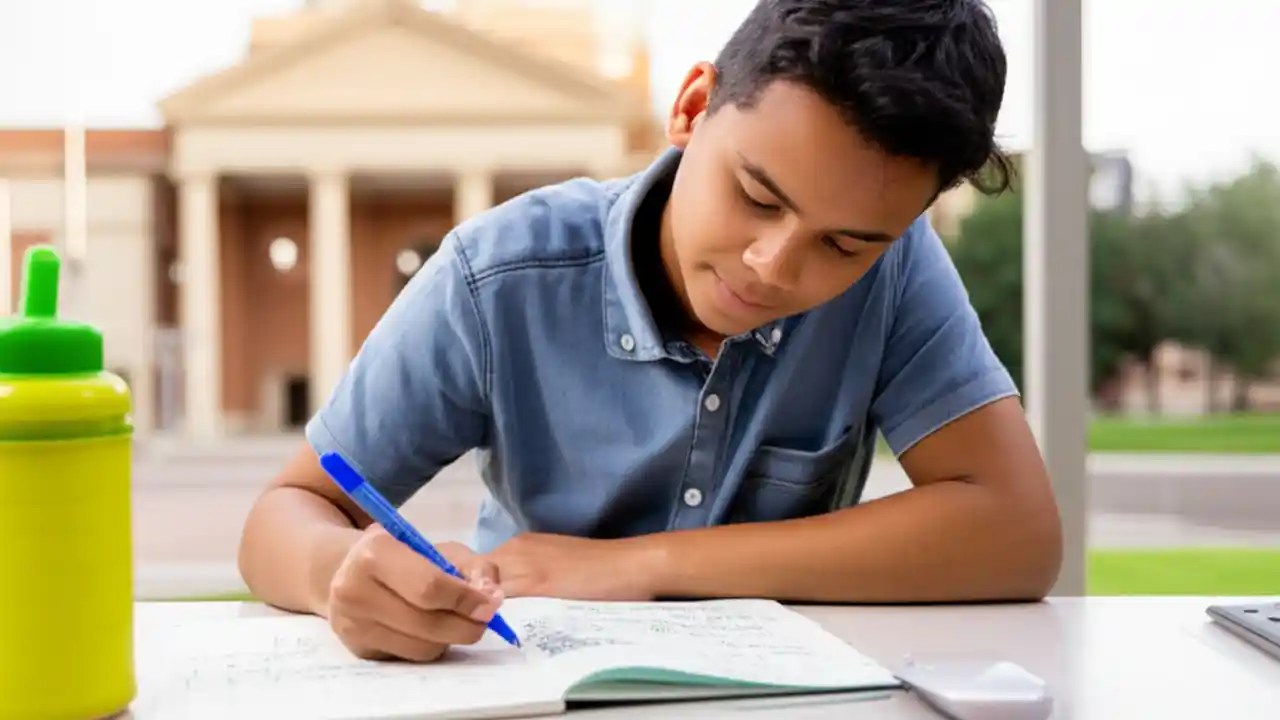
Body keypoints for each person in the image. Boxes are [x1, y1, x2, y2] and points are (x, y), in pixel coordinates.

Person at [239, 0, 1063, 664]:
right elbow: (287, 511)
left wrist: (637, 567)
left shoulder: (895, 268)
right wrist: (336, 573)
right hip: (523, 674)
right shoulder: (498, 275)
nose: (773, 266)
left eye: (843, 246)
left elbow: (1017, 534)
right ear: (693, 107)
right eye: (757, 196)